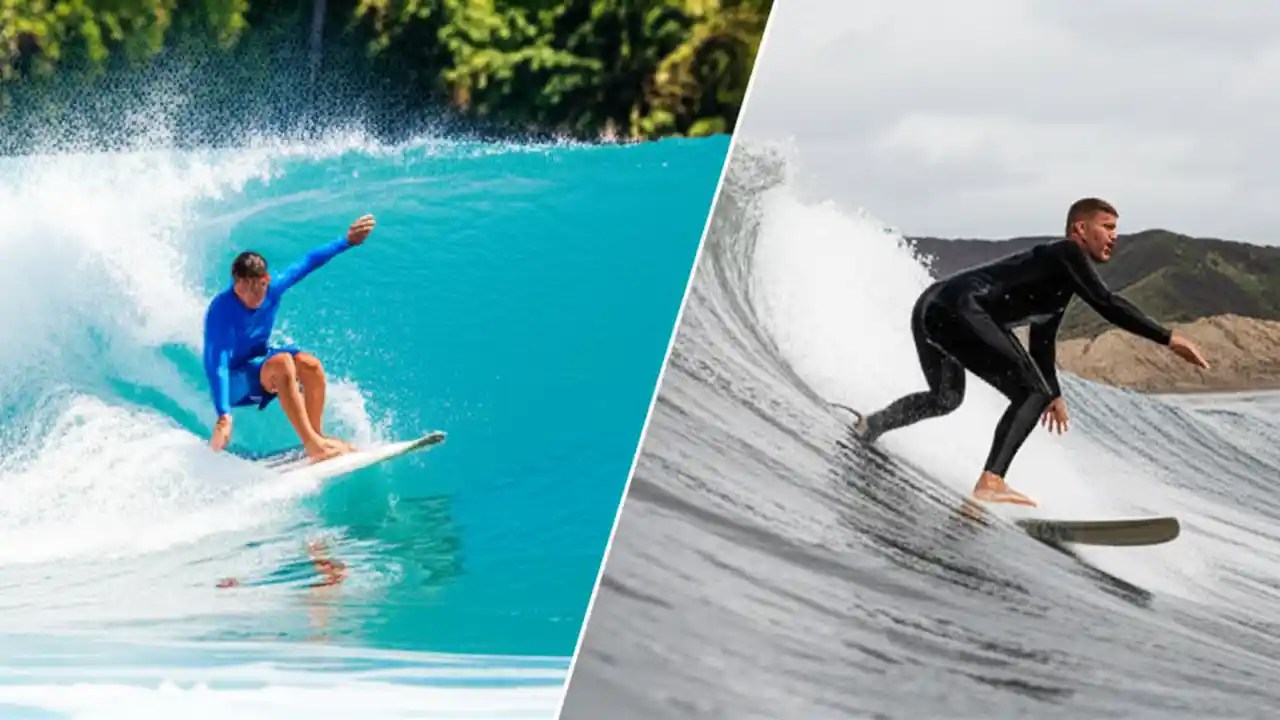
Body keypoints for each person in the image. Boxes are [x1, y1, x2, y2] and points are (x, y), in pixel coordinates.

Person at [846, 198, 1210, 506]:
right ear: (1080, 230)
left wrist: (1054, 395)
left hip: (932, 306)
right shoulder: (1066, 252)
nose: (1114, 236)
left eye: (1117, 229)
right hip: (960, 307)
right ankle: (991, 481)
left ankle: (871, 425)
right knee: (1029, 391)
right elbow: (1106, 302)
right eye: (1107, 227)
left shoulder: (1056, 284)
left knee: (946, 398)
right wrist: (1168, 338)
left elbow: (1042, 343)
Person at [203, 214, 377, 463]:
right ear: (235, 283)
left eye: (257, 287)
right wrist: (223, 416)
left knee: (310, 365)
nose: (251, 296)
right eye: (243, 288)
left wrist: (347, 241)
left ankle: (315, 438)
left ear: (267, 280)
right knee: (283, 361)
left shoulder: (274, 289)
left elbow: (308, 262)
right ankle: (314, 445)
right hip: (234, 383)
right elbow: (216, 364)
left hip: (260, 366)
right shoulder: (221, 310)